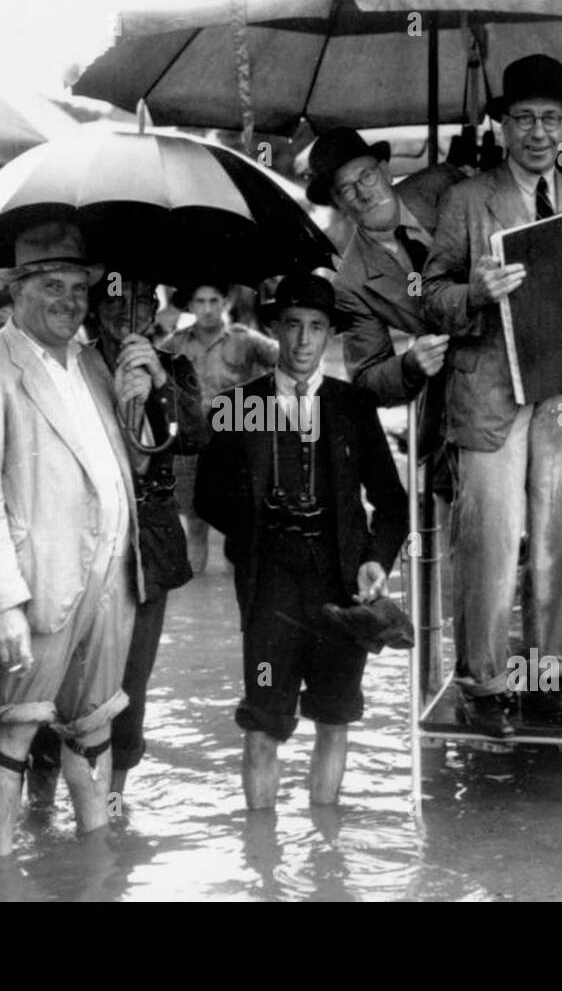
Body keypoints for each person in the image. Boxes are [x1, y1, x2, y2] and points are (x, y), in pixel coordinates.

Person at [422, 55, 562, 735]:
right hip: (489, 397)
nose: (538, 131)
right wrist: (474, 295)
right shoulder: (466, 200)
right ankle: (483, 687)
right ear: (502, 126)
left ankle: (549, 683)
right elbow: (430, 299)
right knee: (487, 537)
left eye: (551, 118)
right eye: (523, 118)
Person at [0, 219, 154, 857]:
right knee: (12, 729)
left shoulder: (93, 361)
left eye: (79, 286)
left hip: (111, 582)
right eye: (53, 286)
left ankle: (97, 865)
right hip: (36, 587)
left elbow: (133, 468)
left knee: (94, 726)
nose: (71, 299)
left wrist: (138, 403)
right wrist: (1, 603)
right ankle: (0, 872)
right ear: (16, 289)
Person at [195, 272, 408, 809]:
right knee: (263, 723)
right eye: (292, 325)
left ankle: (324, 862)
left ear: (330, 334)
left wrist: (376, 562)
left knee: (334, 719)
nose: (304, 340)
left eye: (316, 327)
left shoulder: (352, 405)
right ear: (276, 329)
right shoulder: (240, 404)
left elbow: (392, 502)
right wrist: (258, 523)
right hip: (271, 588)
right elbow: (206, 496)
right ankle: (264, 873)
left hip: (341, 583)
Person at [26, 267, 207, 806]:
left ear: (154, 312)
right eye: (114, 302)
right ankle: (39, 802)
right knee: (53, 679)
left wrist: (159, 388)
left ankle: (112, 802)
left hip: (144, 549)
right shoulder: (67, 365)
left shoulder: (172, 366)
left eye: (139, 303)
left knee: (131, 682)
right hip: (73, 540)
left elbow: (195, 435)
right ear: (93, 309)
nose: (126, 314)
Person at [306, 127, 450, 407]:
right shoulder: (350, 283)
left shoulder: (444, 183)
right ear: (337, 203)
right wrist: (410, 364)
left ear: (385, 171)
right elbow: (366, 379)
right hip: (457, 388)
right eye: (347, 189)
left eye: (367, 176)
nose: (364, 193)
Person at [164, 279, 278, 572]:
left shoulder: (245, 339)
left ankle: (233, 604)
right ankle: (196, 597)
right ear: (190, 306)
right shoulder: (175, 344)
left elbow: (287, 359)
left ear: (225, 303)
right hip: (191, 447)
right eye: (200, 302)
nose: (207, 309)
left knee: (237, 526)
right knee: (195, 525)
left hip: (234, 445)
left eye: (214, 301)